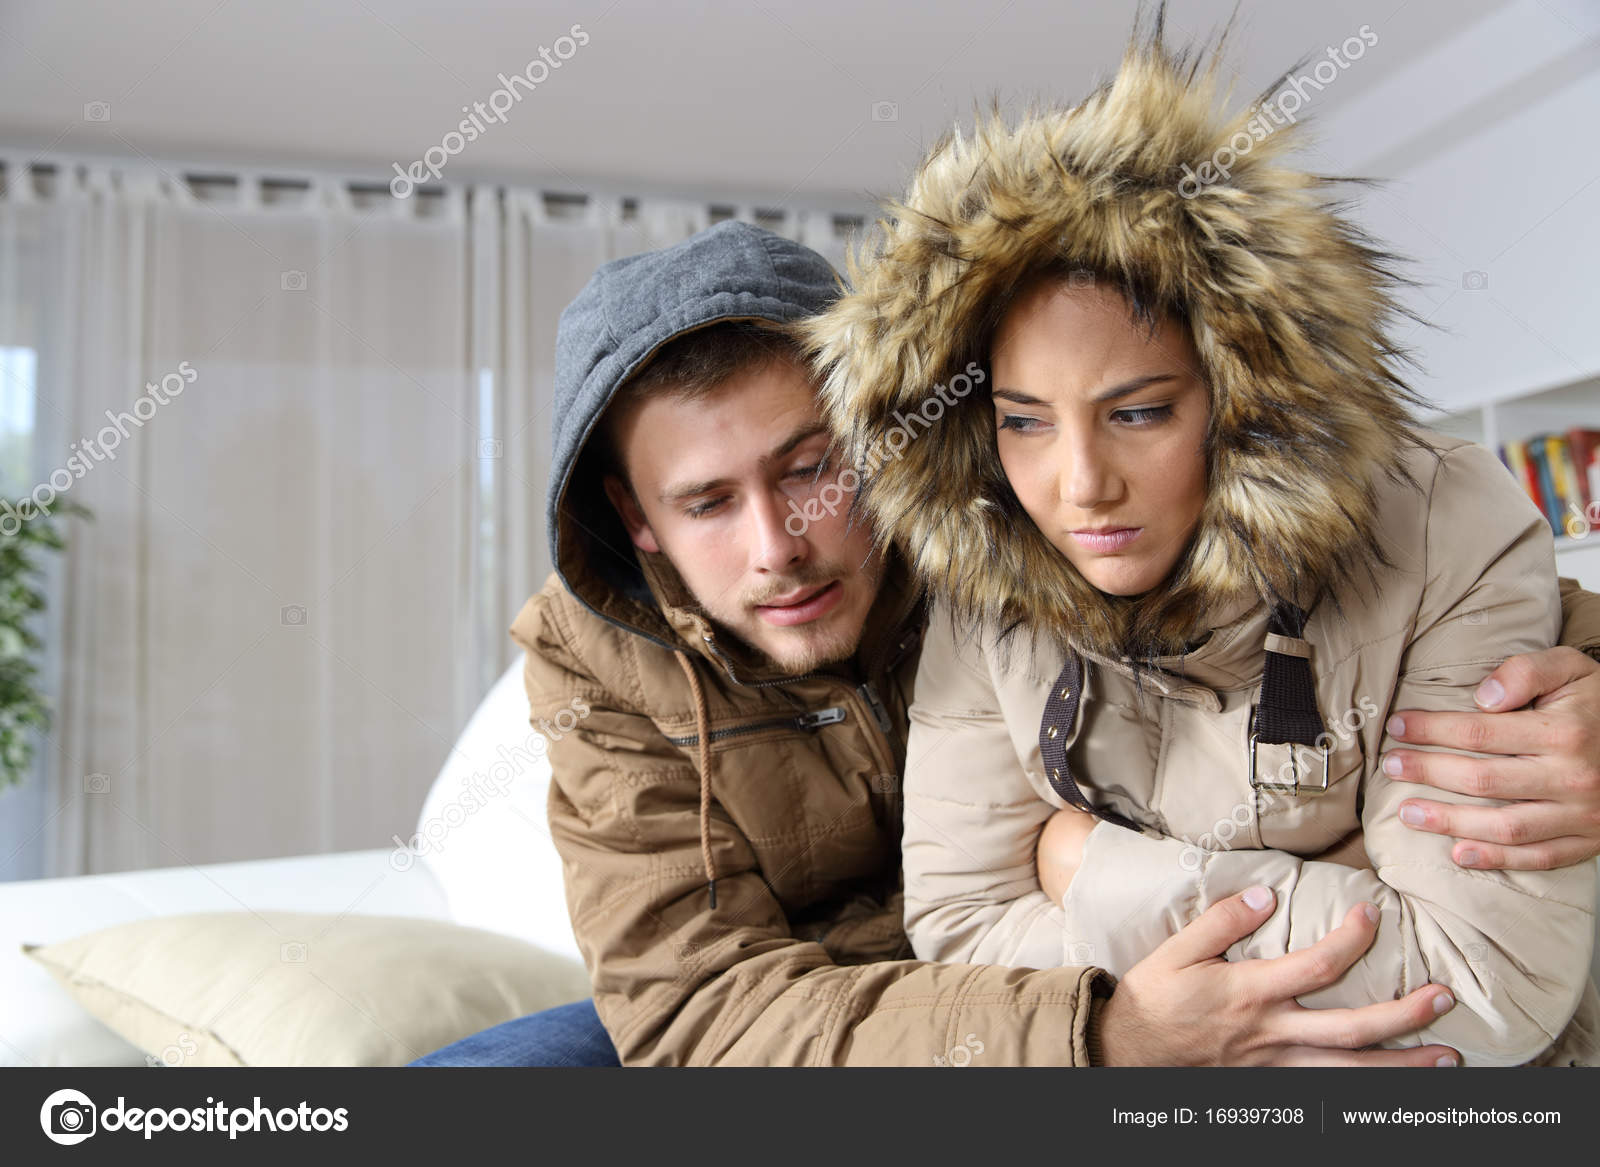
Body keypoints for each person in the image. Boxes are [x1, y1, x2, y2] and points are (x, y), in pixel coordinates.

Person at [410, 218, 1600, 1067]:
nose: (779, 545)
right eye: (709, 503)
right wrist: (1104, 1039)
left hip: (1084, 960)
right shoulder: (596, 661)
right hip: (856, 1025)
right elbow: (697, 1020)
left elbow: (1464, 607)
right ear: (638, 522)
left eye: (812, 470)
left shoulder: (1015, 520)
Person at [801, 24, 1600, 1065]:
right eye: (1025, 420)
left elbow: (1482, 991)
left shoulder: (1447, 522)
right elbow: (958, 933)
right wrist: (1169, 1018)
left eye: (1137, 413)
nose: (1078, 486)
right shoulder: (981, 584)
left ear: (1244, 400)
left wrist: (1078, 863)